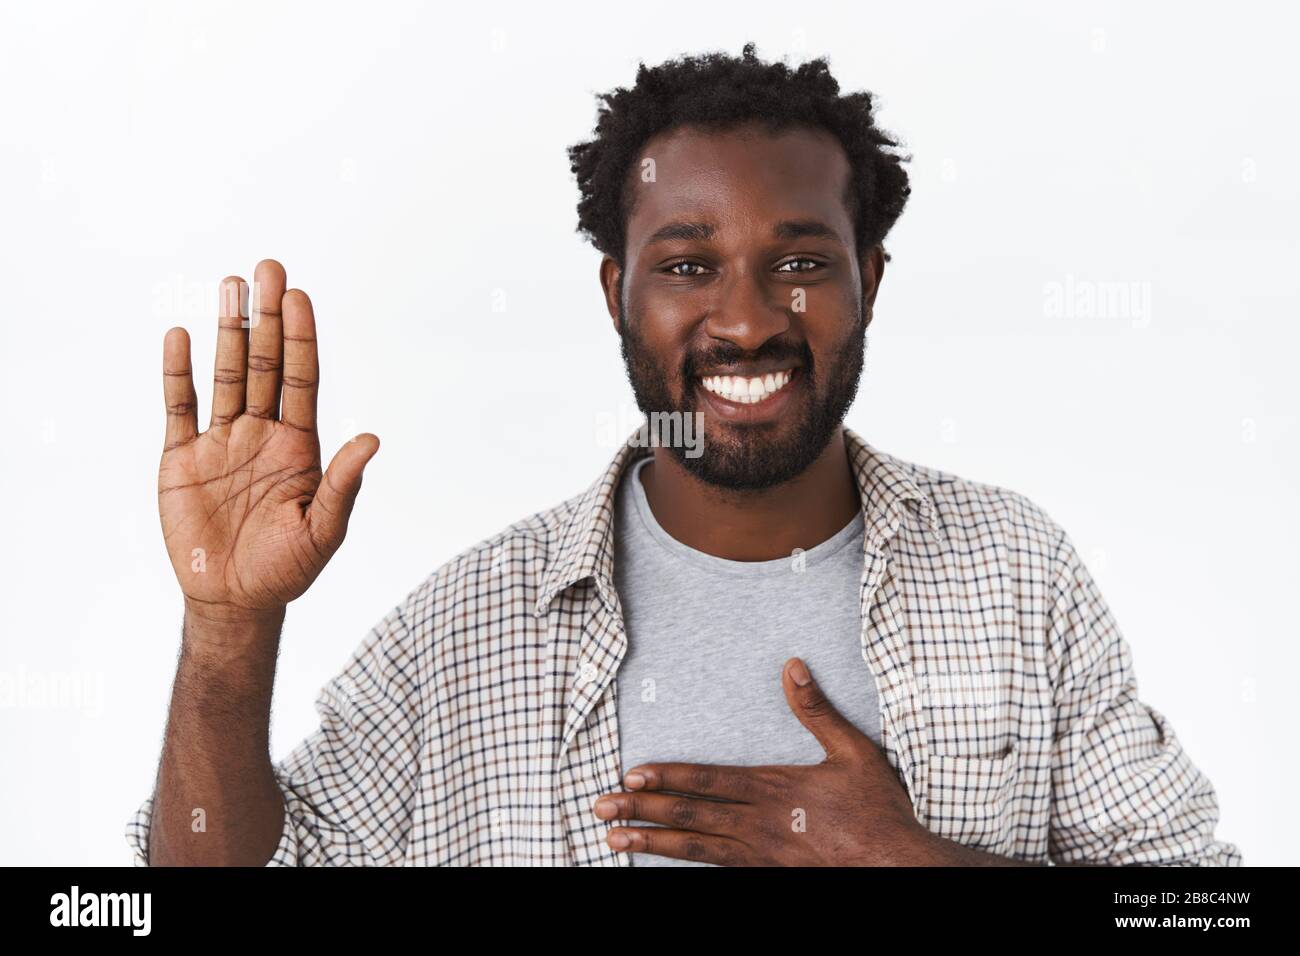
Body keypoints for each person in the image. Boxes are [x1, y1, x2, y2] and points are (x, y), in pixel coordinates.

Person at [129, 43, 1239, 867]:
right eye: (688, 265)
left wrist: (916, 861)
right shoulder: (466, 628)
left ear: (871, 281)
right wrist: (228, 629)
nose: (747, 321)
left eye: (799, 260)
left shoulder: (1014, 573)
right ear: (619, 291)